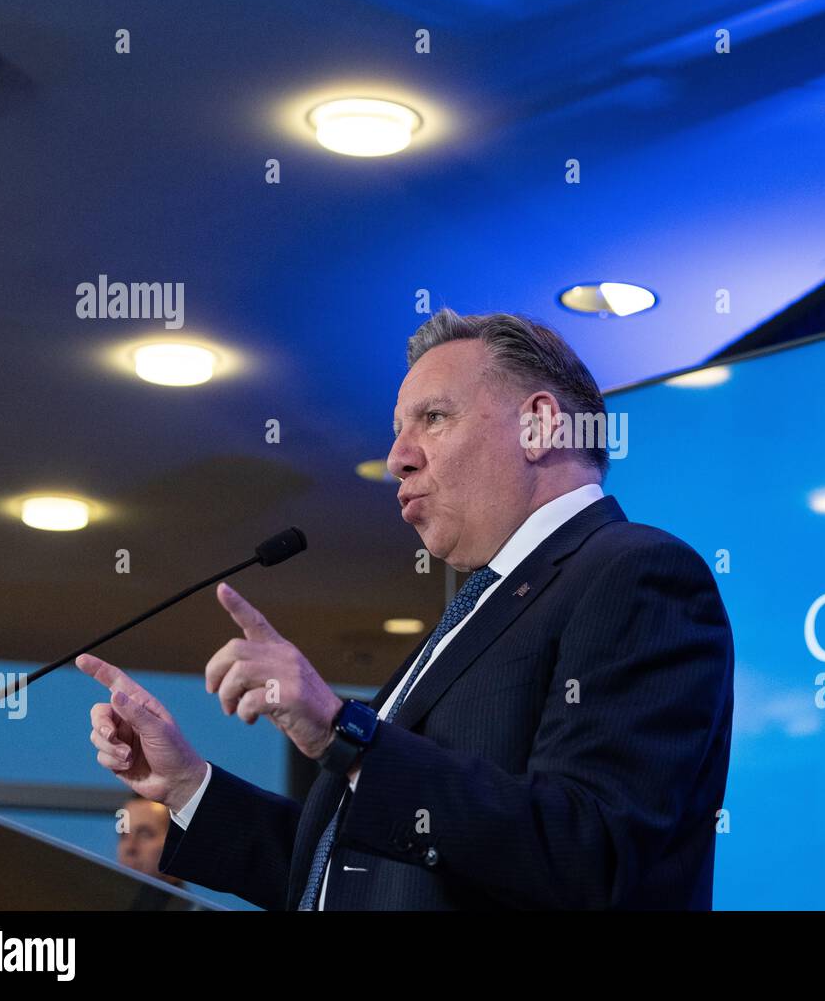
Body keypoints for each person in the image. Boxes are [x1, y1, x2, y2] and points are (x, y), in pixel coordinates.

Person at [79, 308, 734, 910]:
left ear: (538, 425)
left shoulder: (635, 573)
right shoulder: (480, 604)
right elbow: (346, 868)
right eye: (398, 431)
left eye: (434, 418)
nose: (397, 458)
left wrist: (347, 733)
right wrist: (188, 786)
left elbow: (590, 852)